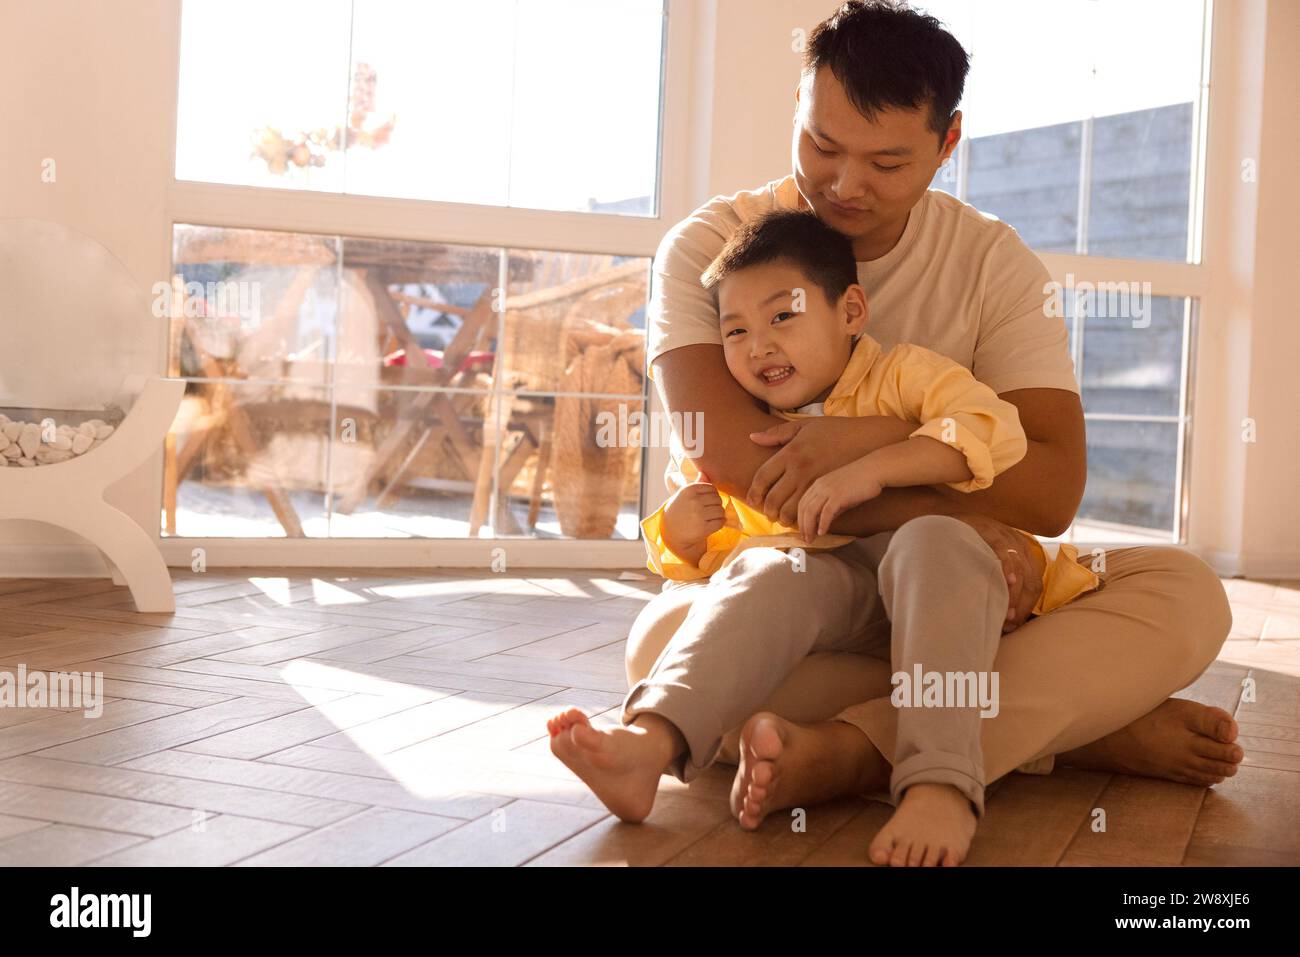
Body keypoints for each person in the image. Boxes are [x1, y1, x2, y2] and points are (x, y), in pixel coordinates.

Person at [628, 0, 1239, 867]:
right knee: (659, 643)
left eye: (885, 161)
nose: (843, 184)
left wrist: (864, 454)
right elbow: (737, 461)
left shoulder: (993, 263)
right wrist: (934, 501)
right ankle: (1074, 729)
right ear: (797, 113)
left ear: (948, 143)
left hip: (971, 597)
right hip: (791, 586)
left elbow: (1056, 484)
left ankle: (850, 754)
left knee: (1186, 590)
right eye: (821, 146)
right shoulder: (711, 248)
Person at [549, 208, 1106, 866]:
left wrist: (869, 468)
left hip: (934, 588)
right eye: (736, 330)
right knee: (765, 573)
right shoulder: (746, 421)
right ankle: (649, 743)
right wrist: (676, 530)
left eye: (783, 317)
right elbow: (695, 552)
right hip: (824, 605)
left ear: (850, 312)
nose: (758, 346)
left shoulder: (902, 376)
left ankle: (939, 783)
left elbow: (990, 427)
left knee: (937, 540)